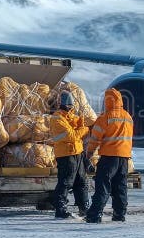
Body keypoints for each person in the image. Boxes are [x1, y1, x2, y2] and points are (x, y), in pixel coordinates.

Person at [85, 88, 133, 223]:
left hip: (109, 158)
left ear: (107, 101)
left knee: (103, 186)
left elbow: (95, 139)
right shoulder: (128, 117)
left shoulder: (105, 117)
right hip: (124, 158)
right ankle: (119, 214)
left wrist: (89, 153)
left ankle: (94, 215)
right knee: (120, 187)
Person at [49, 91, 89, 219]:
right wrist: (84, 129)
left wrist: (79, 122)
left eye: (72, 105)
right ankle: (60, 209)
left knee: (81, 182)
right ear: (63, 105)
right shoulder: (57, 118)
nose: (71, 108)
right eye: (69, 105)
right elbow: (72, 135)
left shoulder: (69, 117)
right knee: (65, 182)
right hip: (66, 155)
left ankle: (84, 208)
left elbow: (74, 124)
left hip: (77, 153)